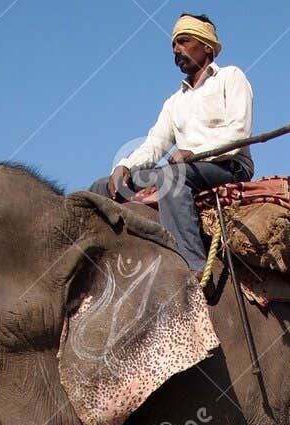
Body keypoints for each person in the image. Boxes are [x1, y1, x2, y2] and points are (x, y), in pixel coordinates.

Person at [92, 15, 254, 277]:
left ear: (207, 47)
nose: (176, 49)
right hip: (187, 169)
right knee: (101, 187)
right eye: (173, 44)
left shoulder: (231, 77)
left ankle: (194, 269)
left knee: (171, 176)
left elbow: (239, 132)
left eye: (183, 41)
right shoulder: (174, 102)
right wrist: (124, 166)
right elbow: (155, 144)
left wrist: (195, 153)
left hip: (227, 166)